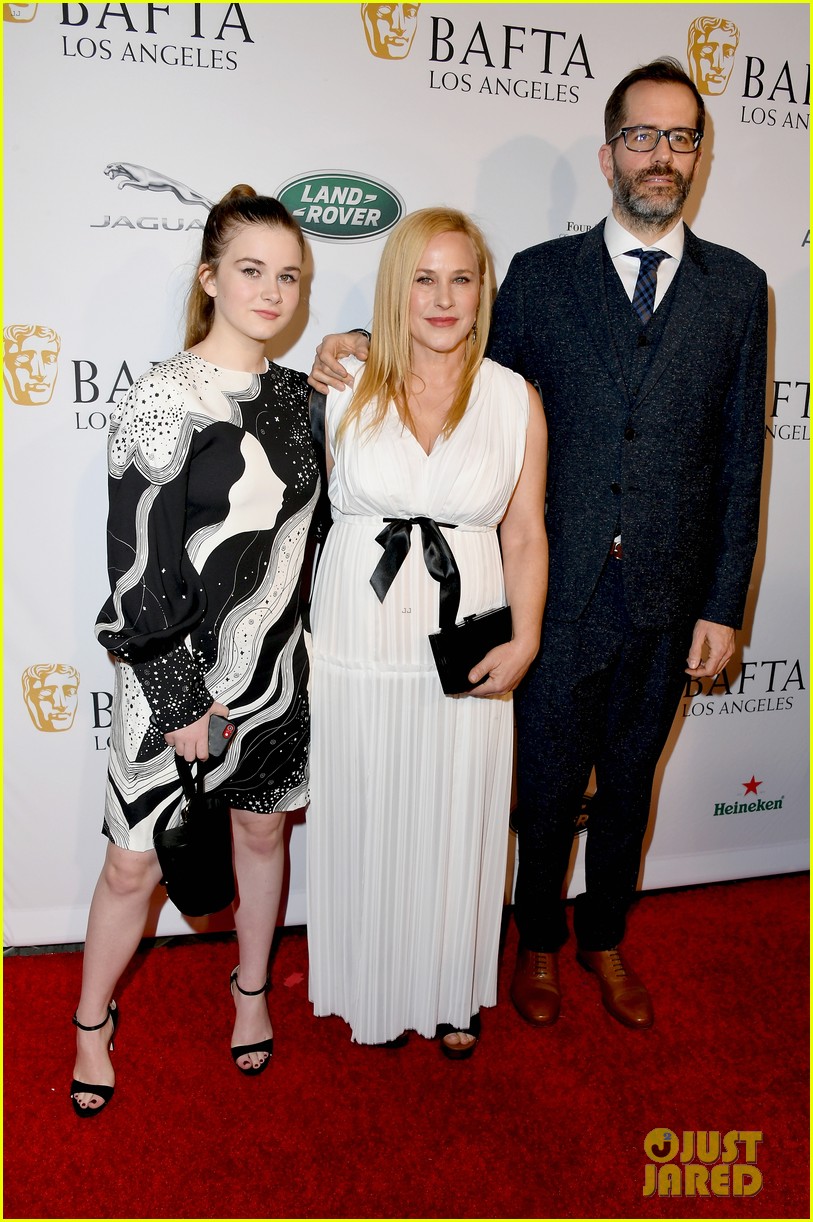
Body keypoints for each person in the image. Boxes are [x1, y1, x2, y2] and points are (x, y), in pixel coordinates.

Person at [308, 59, 768, 1032]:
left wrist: (723, 601)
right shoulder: (540, 278)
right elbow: (454, 373)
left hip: (666, 589)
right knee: (547, 787)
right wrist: (352, 338)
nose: (661, 154)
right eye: (642, 136)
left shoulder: (738, 290)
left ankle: (605, 936)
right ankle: (542, 948)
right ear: (609, 153)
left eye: (681, 137)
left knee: (633, 783)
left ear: (700, 156)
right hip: (549, 590)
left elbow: (738, 459)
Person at [71, 186, 320, 1116]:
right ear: (211, 278)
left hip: (274, 676)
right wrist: (180, 703)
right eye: (251, 270)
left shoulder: (303, 401)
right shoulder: (158, 400)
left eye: (288, 276)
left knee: (261, 834)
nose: (271, 291)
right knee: (132, 863)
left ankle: (249, 991)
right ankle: (92, 1020)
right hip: (168, 680)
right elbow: (135, 564)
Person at [307, 208, 547, 1057]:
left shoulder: (514, 397)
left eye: (462, 278)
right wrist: (331, 346)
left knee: (458, 813)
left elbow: (523, 532)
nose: (443, 298)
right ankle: (371, 981)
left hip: (468, 637)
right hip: (355, 642)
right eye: (423, 277)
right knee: (367, 808)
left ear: (482, 291)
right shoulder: (340, 381)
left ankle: (450, 989)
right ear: (395, 289)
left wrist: (523, 639)